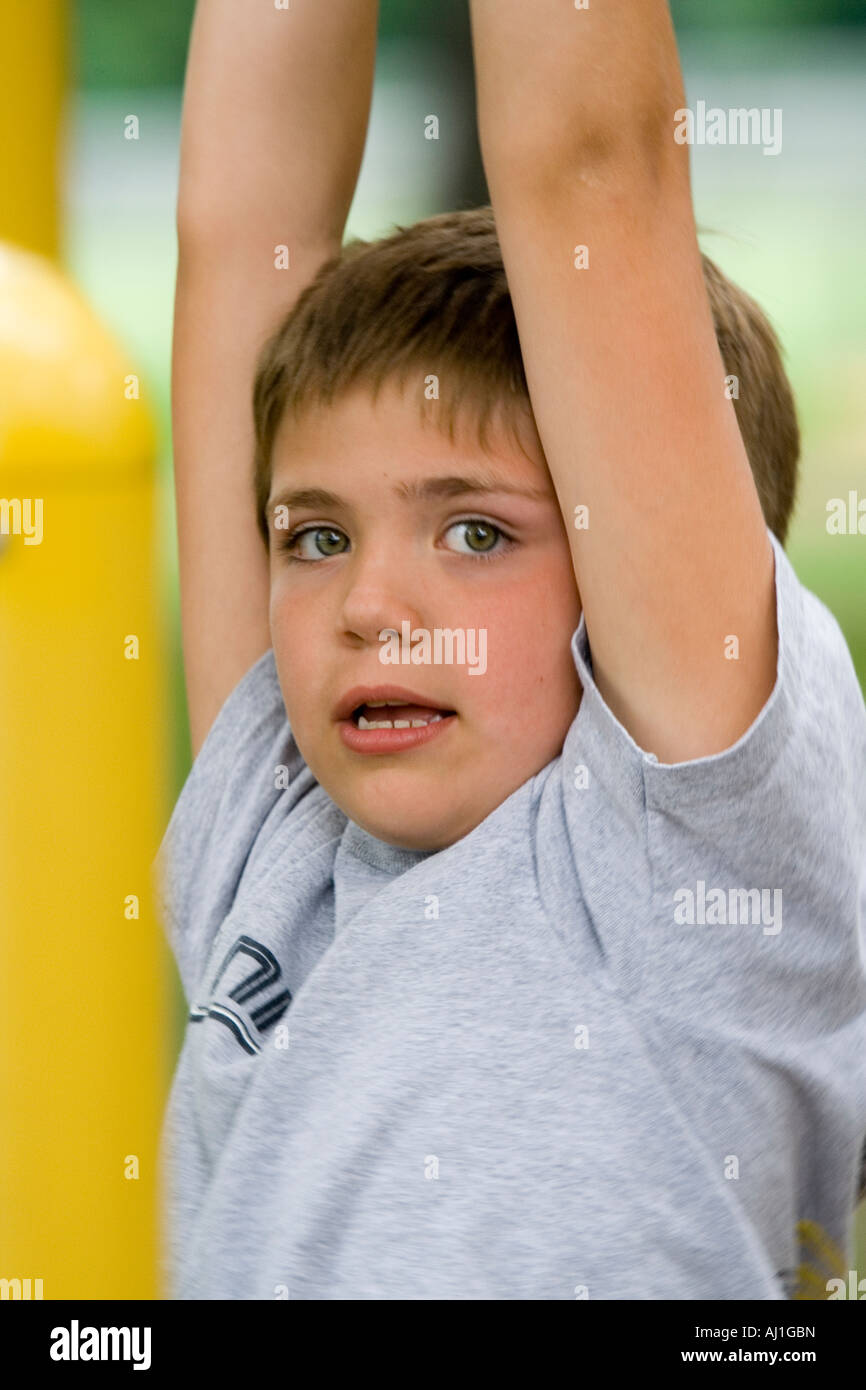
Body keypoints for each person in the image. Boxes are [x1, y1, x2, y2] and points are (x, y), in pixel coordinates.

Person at [157, 0, 866, 1299]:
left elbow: (591, 169)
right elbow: (236, 221)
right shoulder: (272, 833)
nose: (369, 600)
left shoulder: (682, 851)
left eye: (475, 531)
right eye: (314, 538)